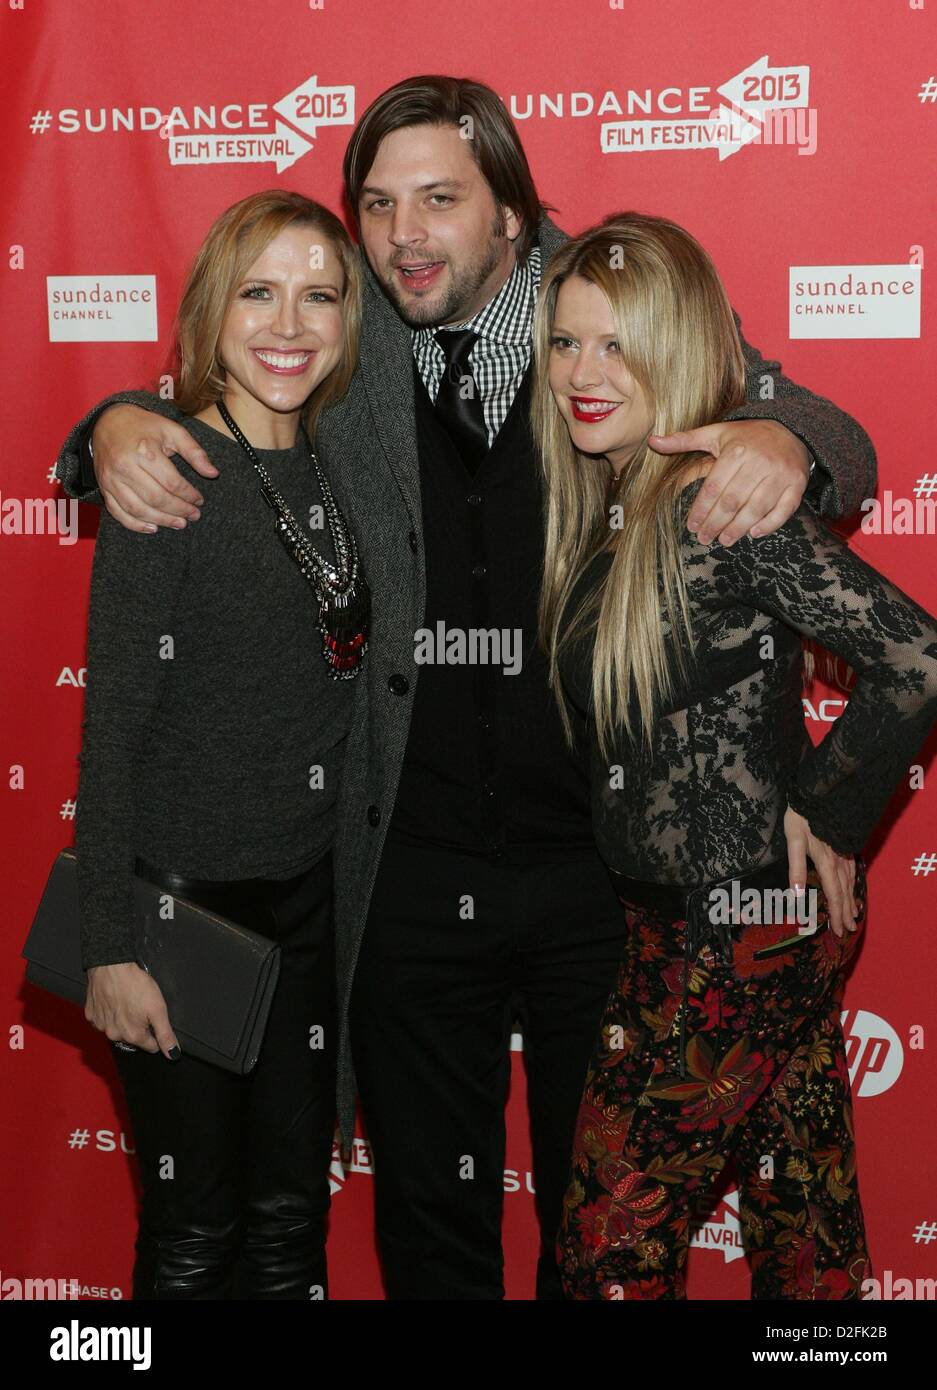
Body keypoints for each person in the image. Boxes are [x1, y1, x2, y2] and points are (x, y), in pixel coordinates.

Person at [56, 77, 877, 1300]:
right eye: (379, 205)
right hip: (404, 870)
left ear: (511, 213)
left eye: (440, 200)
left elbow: (833, 434)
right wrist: (109, 428)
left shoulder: (596, 308)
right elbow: (224, 383)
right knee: (427, 1236)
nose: (403, 237)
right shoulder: (351, 331)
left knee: (596, 1231)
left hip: (597, 875)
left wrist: (786, 438)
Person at [533, 211, 937, 1300]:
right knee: (802, 1230)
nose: (583, 371)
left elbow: (915, 657)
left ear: (677, 351)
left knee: (605, 1258)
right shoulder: (617, 502)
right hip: (721, 930)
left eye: (617, 344)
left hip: (729, 935)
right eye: (566, 342)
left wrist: (831, 809)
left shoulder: (712, 509)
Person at [74, 189, 365, 1299]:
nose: (287, 323)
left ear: (350, 323)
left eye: (319, 295)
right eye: (258, 292)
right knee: (195, 1235)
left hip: (310, 909)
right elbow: (112, 736)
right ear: (212, 310)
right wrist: (110, 944)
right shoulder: (165, 477)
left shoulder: (347, 472)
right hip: (179, 910)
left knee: (291, 1226)